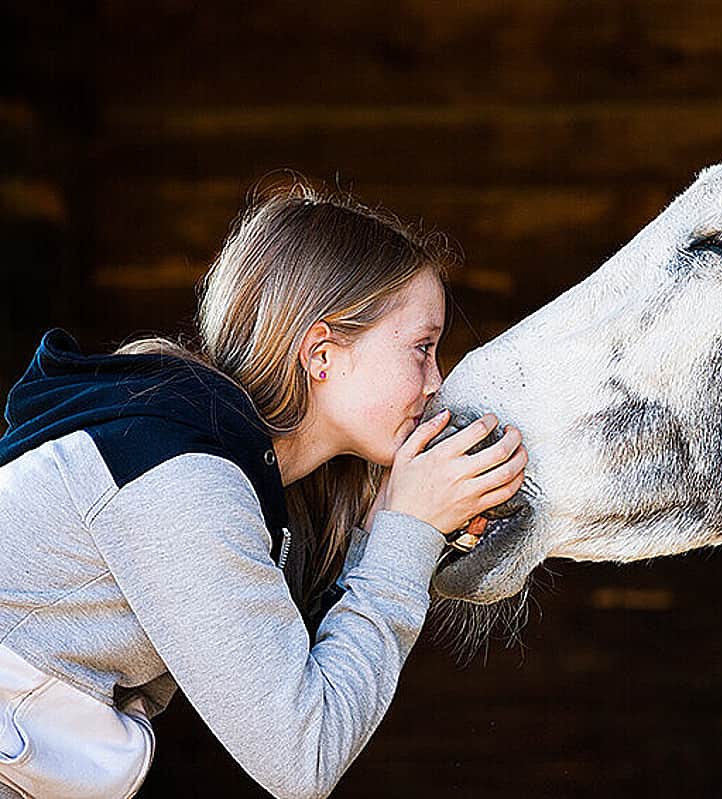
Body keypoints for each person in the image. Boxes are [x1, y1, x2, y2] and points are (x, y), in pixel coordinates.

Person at [0, 178, 526, 798]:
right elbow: (302, 758)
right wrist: (405, 534)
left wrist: (393, 529)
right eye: (422, 347)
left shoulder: (228, 468)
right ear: (322, 353)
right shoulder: (182, 477)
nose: (436, 381)